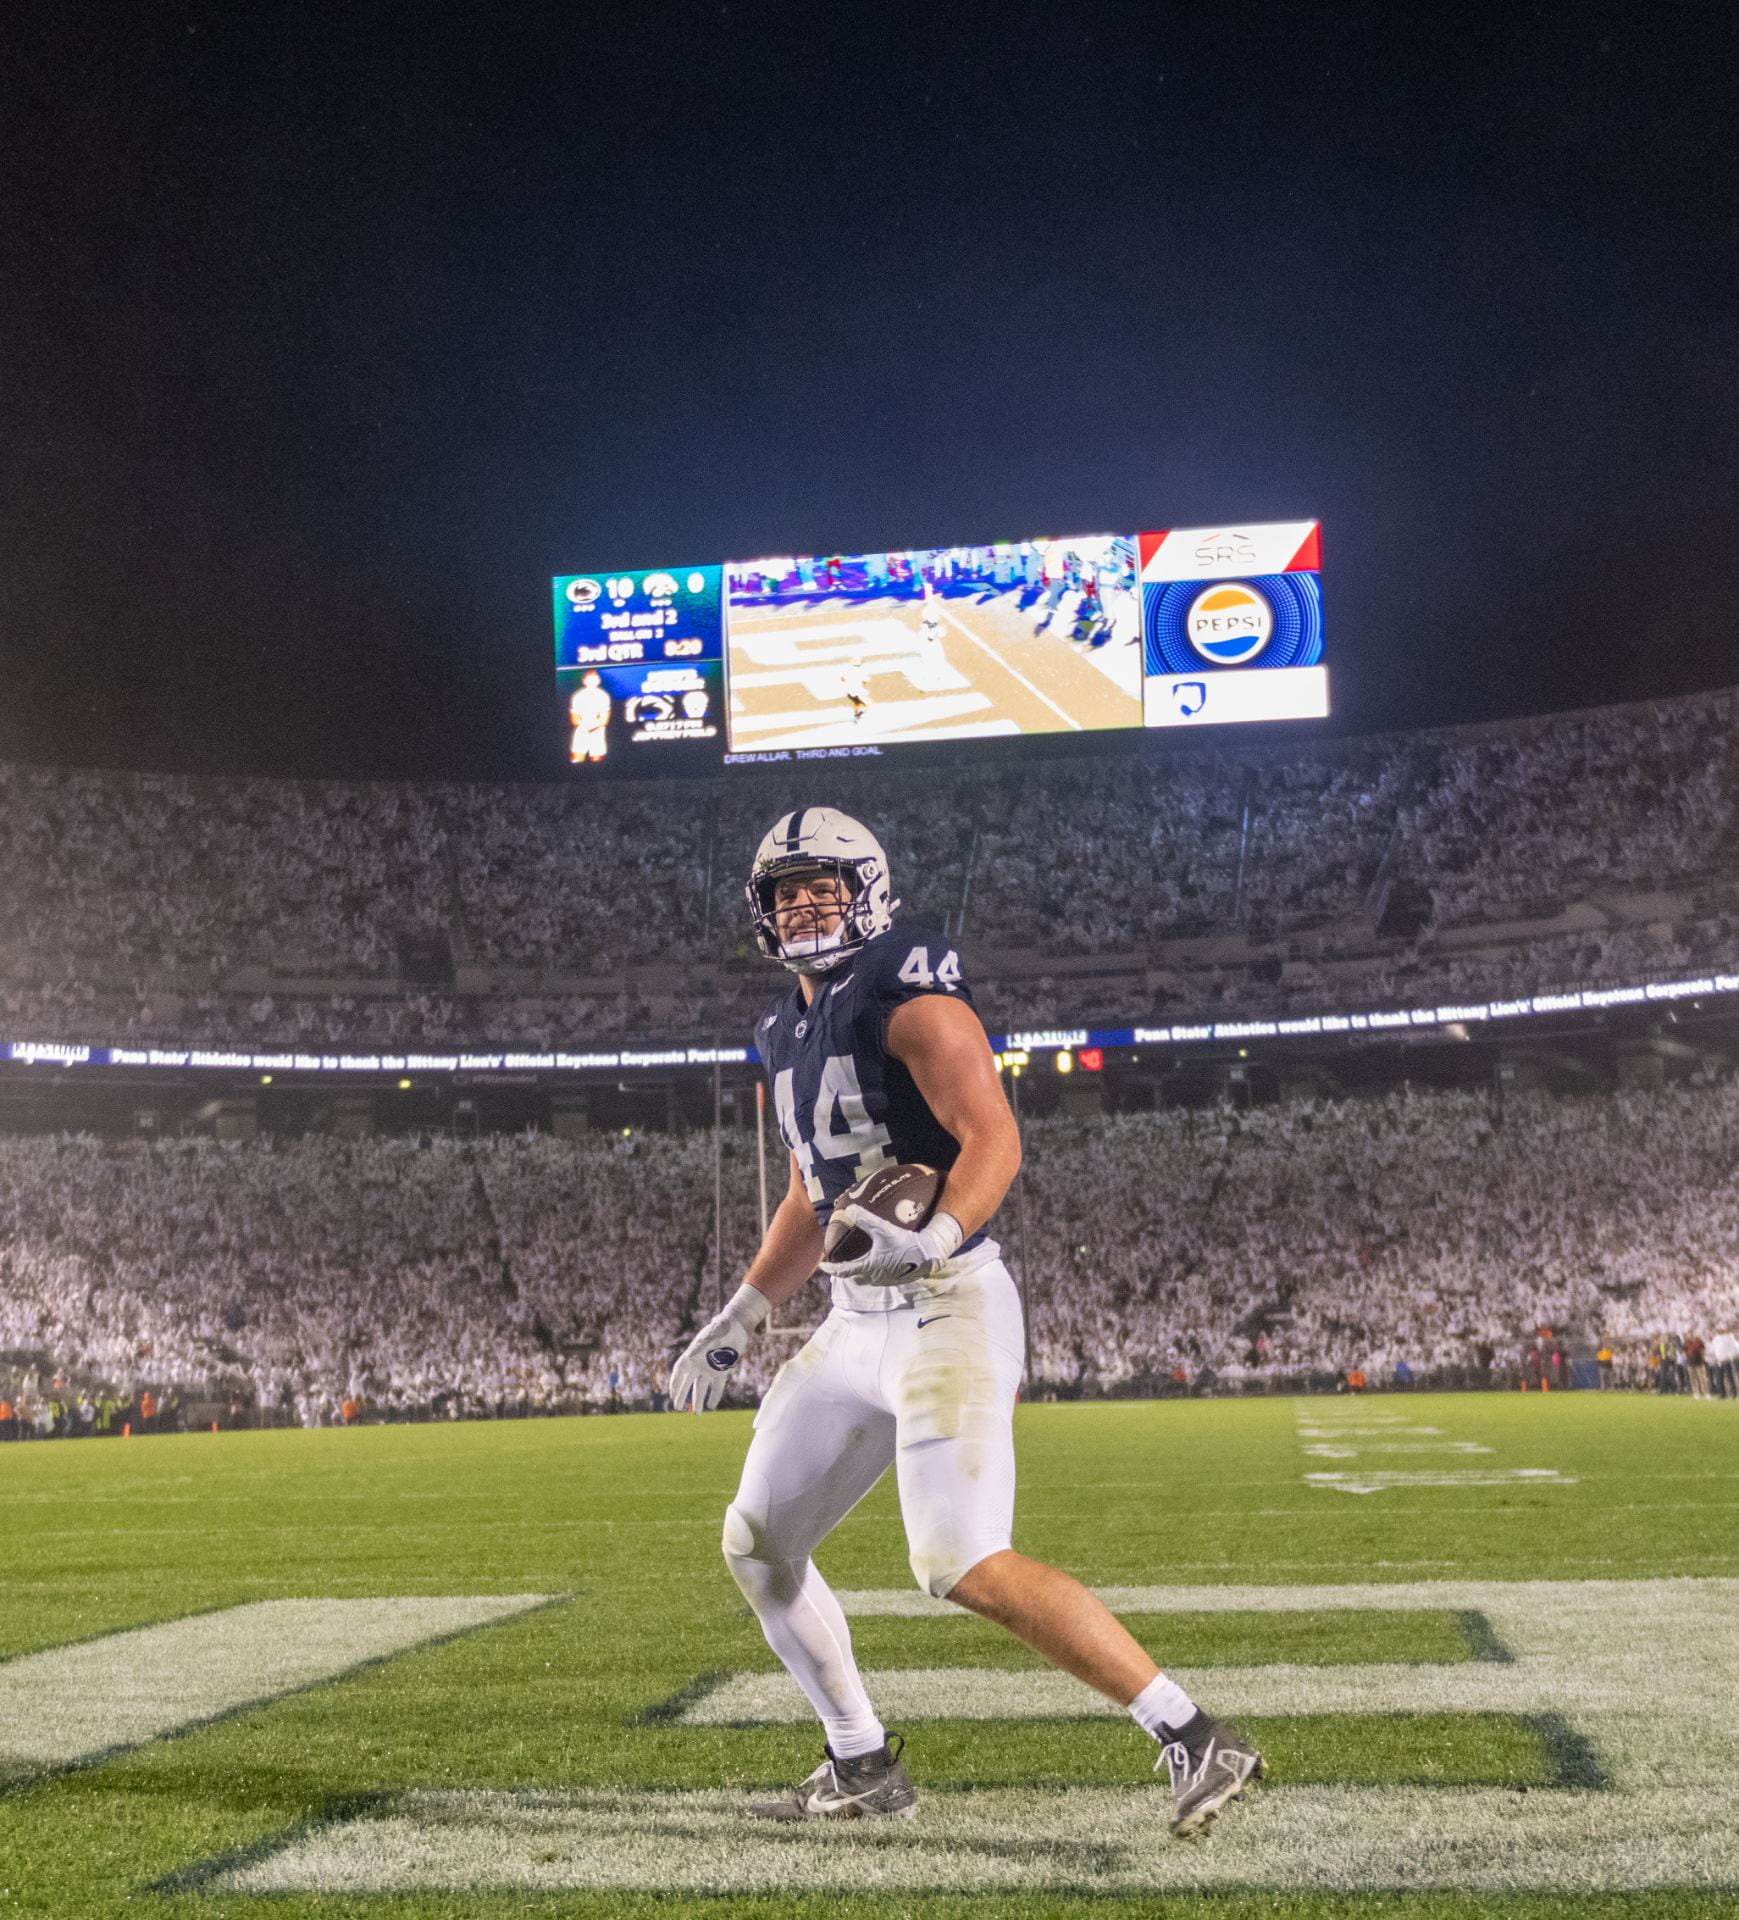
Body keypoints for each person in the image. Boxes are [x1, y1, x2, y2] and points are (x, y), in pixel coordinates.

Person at [669, 807, 1263, 1840]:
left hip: (944, 1303)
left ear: (869, 894)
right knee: (757, 1542)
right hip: (852, 1323)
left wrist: (935, 1234)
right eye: (783, 892)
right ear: (760, 914)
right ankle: (859, 1761)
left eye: (822, 887)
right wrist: (743, 1310)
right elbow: (817, 1193)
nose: (802, 905)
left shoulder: (910, 996)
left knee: (958, 1561)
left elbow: (993, 1136)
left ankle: (1192, 1732)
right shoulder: (781, 1031)